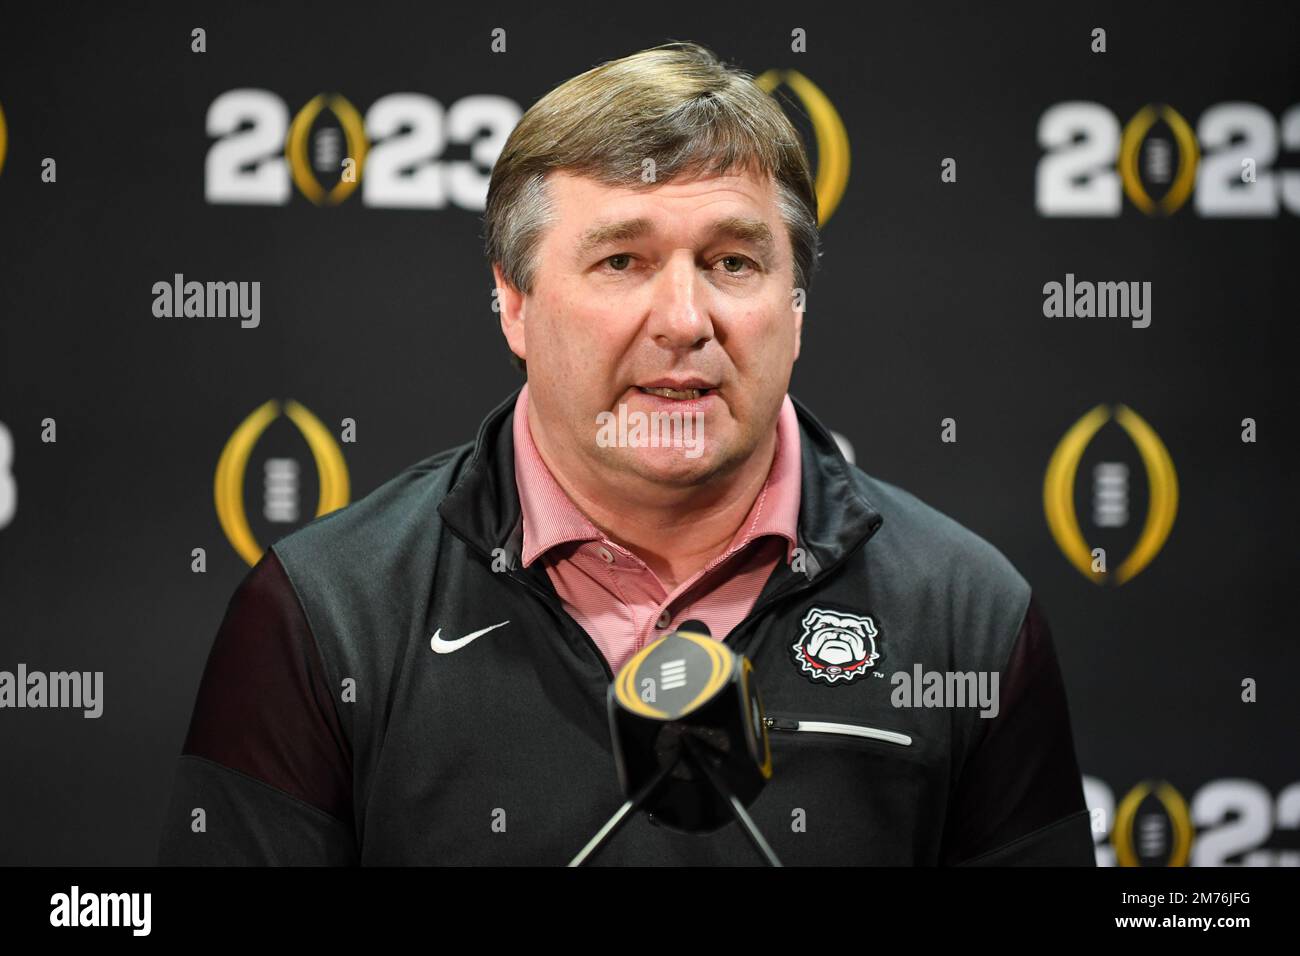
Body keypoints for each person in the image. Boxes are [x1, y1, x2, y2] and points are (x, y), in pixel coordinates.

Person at [157, 40, 1094, 866]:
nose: (685, 322)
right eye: (622, 262)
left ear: (796, 308)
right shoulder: (323, 615)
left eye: (734, 262)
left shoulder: (971, 617)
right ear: (514, 304)